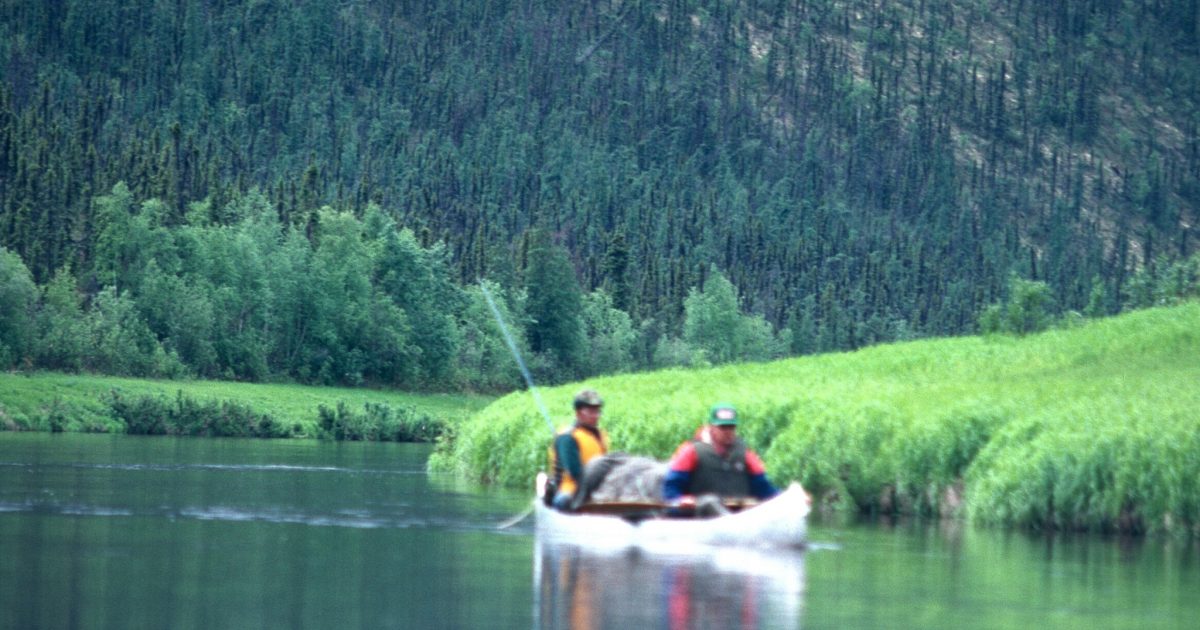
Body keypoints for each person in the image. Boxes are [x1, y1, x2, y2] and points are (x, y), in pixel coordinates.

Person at [662, 403, 778, 509]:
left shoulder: (745, 454)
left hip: (738, 517)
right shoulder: (691, 451)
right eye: (723, 427)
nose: (728, 431)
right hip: (700, 516)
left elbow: (763, 488)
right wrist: (680, 500)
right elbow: (672, 487)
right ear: (712, 428)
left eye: (731, 427)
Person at [547, 389, 609, 510]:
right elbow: (575, 472)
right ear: (578, 413)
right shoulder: (567, 437)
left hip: (597, 490)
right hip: (570, 490)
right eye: (591, 411)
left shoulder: (601, 435)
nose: (596, 415)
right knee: (564, 500)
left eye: (597, 411)